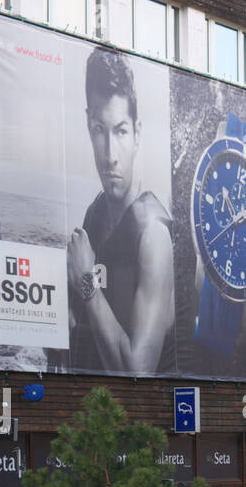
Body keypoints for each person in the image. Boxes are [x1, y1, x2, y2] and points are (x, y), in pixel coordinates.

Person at [67, 48, 174, 376]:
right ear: (88, 124)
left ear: (138, 132)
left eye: (121, 131)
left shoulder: (153, 234)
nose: (110, 155)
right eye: (100, 129)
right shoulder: (95, 213)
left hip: (144, 423)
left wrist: (86, 280)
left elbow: (138, 372)